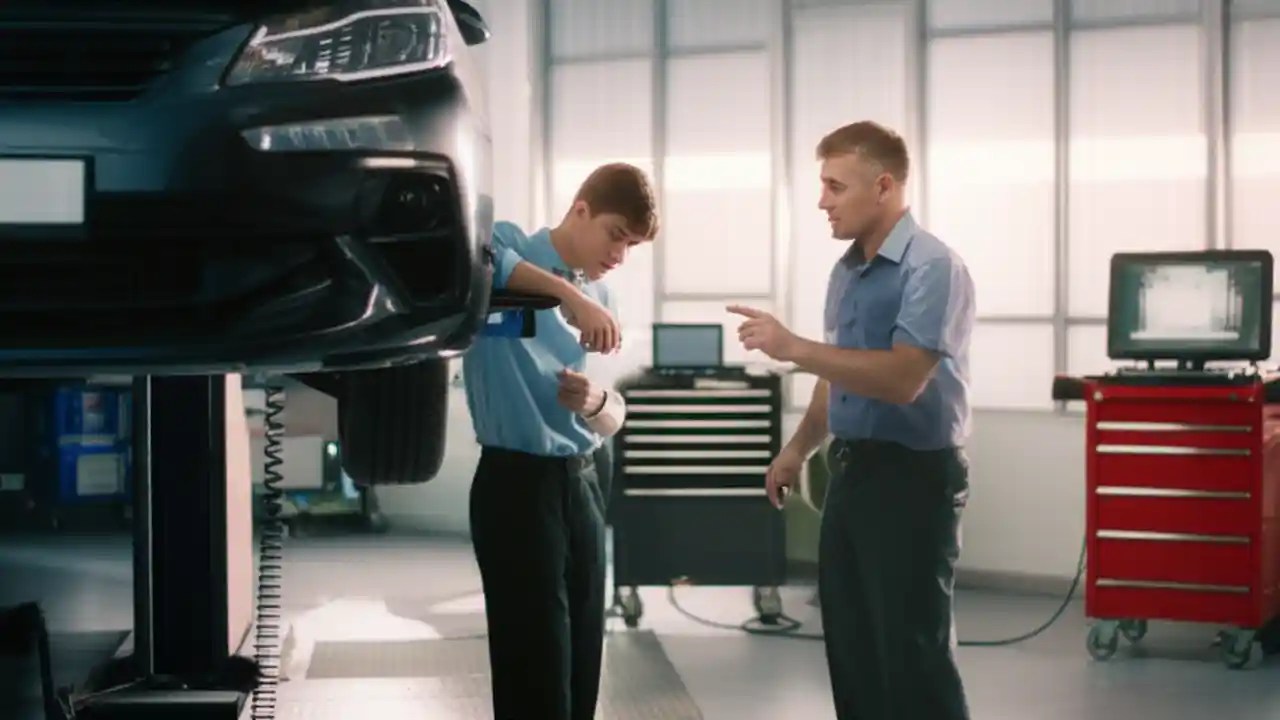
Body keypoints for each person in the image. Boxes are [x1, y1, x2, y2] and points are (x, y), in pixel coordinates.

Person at [729, 120, 975, 720]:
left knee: (912, 657)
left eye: (835, 186)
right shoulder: (846, 271)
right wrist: (797, 449)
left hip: (915, 480)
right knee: (853, 649)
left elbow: (902, 378)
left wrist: (793, 346)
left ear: (884, 186)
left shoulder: (932, 267)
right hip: (853, 474)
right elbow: (839, 371)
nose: (822, 201)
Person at [462, 162, 659, 720]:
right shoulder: (507, 246)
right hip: (516, 484)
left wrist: (595, 401)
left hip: (584, 480)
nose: (619, 254)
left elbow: (614, 412)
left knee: (583, 656)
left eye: (631, 245)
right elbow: (488, 259)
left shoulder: (605, 297)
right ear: (580, 210)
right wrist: (571, 296)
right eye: (615, 234)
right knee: (535, 658)